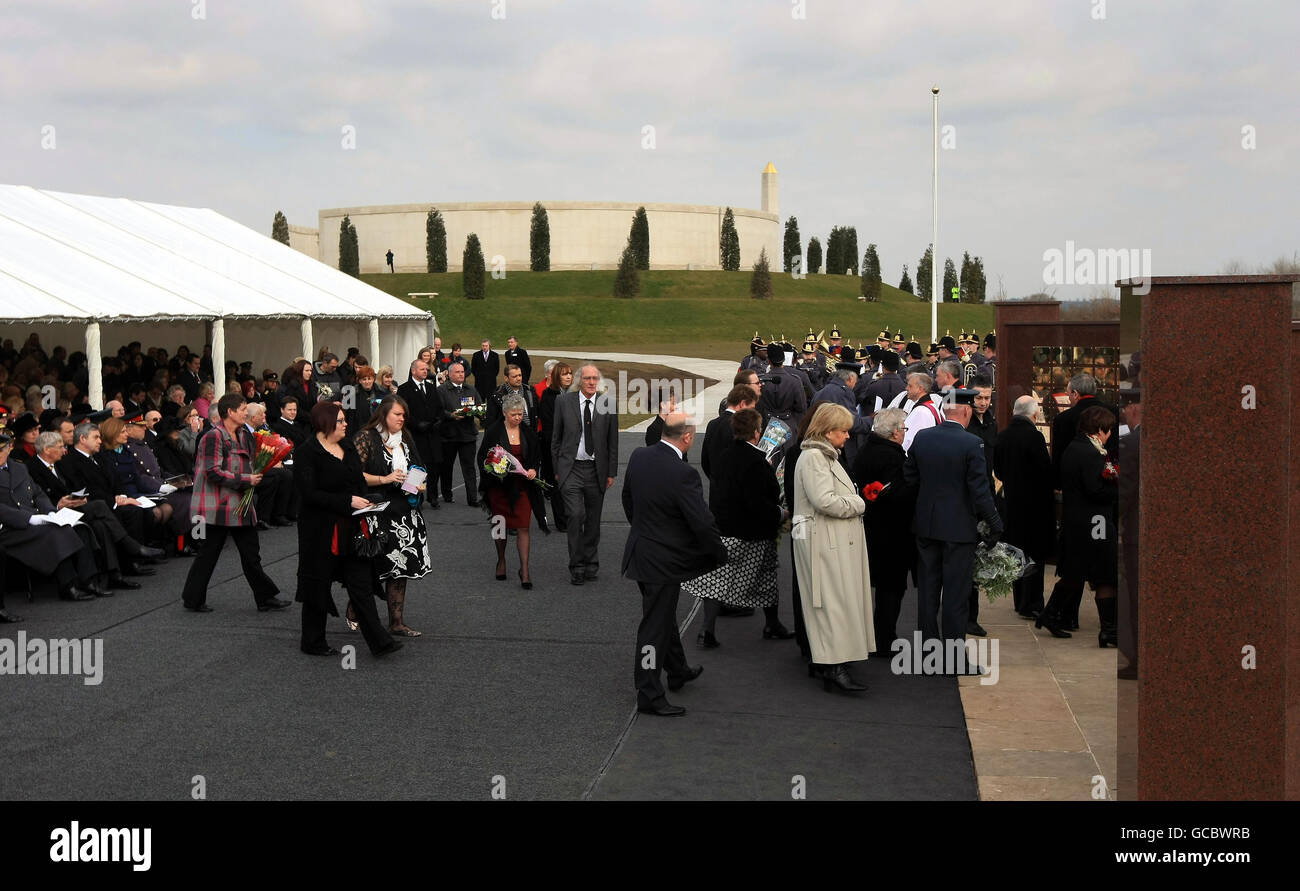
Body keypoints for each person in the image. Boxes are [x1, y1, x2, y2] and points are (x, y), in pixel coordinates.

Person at [622, 411, 726, 717]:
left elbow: (628, 500)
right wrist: (718, 553)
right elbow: (701, 522)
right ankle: (649, 693)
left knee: (662, 618)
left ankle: (678, 669)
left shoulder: (639, 456)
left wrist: (646, 532)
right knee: (653, 629)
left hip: (641, 553)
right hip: (664, 562)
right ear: (688, 437)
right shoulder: (683, 473)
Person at [294, 401, 402, 658]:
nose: (345, 425)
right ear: (325, 423)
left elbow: (357, 480)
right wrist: (346, 501)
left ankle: (379, 641)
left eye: (344, 420)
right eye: (340, 421)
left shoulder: (348, 446)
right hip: (320, 531)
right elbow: (308, 494)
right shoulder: (307, 452)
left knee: (361, 583)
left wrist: (368, 499)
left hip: (352, 527)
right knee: (317, 585)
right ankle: (312, 641)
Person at [904, 389, 1003, 670]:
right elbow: (980, 490)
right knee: (956, 596)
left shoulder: (923, 437)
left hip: (926, 525)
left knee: (928, 592)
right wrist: (995, 523)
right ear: (968, 411)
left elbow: (910, 477)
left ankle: (927, 654)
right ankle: (953, 659)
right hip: (958, 530)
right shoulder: (972, 444)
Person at [684, 408, 789, 648]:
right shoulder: (756, 461)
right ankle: (772, 623)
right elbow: (758, 501)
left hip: (724, 526)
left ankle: (706, 629)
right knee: (766, 576)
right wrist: (780, 513)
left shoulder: (725, 455)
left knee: (717, 581)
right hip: (753, 532)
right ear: (756, 432)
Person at [180, 394, 290, 613]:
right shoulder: (213, 436)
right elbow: (213, 472)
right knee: (209, 553)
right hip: (218, 506)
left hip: (239, 505)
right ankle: (192, 598)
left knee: (251, 553)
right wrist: (246, 480)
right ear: (229, 412)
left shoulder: (243, 435)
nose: (245, 412)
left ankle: (265, 597)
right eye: (241, 409)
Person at [790, 404, 873, 692]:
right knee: (830, 603)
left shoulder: (823, 455)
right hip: (823, 541)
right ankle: (832, 667)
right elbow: (824, 500)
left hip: (829, 540)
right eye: (844, 431)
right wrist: (860, 503)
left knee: (835, 601)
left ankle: (830, 663)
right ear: (827, 432)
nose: (848, 436)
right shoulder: (814, 457)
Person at [1047, 373, 1120, 630]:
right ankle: (1106, 628)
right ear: (1100, 429)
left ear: (1075, 393)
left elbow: (1059, 467)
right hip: (1094, 517)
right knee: (1097, 570)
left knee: (1078, 569)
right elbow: (1095, 488)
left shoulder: (1066, 423)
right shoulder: (1090, 450)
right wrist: (1117, 487)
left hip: (1079, 513)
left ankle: (1064, 616)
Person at [0, 431, 110, 602]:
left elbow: (38, 494)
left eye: (1, 450)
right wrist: (28, 518)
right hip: (11, 527)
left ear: (9, 450)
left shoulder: (18, 467)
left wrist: (50, 511)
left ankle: (88, 580)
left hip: (35, 519)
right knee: (56, 532)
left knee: (79, 527)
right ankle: (68, 585)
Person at [355, 397, 432, 636]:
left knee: (401, 568)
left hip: (404, 512)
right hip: (377, 510)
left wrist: (419, 484)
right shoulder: (366, 437)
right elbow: (354, 474)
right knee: (374, 567)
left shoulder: (405, 438)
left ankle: (396, 622)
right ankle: (354, 608)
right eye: (397, 414)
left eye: (404, 415)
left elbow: (419, 469)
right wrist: (385, 479)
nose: (402, 419)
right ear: (383, 414)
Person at [850, 408, 916, 654]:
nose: (904, 433)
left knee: (869, 586)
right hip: (891, 532)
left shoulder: (866, 450)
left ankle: (866, 634)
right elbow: (899, 494)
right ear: (896, 433)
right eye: (904, 429)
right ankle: (884, 638)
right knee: (891, 588)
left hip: (867, 526)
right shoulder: (893, 457)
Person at [551, 364, 619, 585]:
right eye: (587, 378)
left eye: (595, 378)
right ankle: (576, 565)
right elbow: (556, 439)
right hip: (571, 469)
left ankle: (591, 562)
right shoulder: (563, 402)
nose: (591, 382)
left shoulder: (607, 402)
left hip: (596, 470)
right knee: (575, 515)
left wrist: (611, 472)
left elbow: (612, 441)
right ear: (580, 380)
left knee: (592, 520)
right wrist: (557, 470)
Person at [993, 396, 1056, 622]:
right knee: (1034, 555)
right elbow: (1044, 471)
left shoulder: (1003, 436)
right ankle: (1032, 602)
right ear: (1034, 414)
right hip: (1034, 505)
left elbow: (998, 469)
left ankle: (1019, 600)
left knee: (1016, 554)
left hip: (1011, 503)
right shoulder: (1034, 437)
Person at [478, 393, 550, 589]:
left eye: (520, 414)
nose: (517, 417)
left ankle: (525, 570)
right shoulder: (493, 432)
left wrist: (534, 469)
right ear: (504, 413)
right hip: (499, 488)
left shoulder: (528, 432)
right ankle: (501, 559)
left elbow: (536, 456)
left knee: (523, 527)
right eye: (514, 414)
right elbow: (483, 458)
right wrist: (495, 471)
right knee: (499, 526)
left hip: (523, 488)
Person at [810, 354, 873, 470]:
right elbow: (852, 424)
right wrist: (873, 420)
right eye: (856, 380)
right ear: (851, 378)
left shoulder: (821, 391)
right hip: (839, 449)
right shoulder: (844, 392)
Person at [396, 358, 444, 510]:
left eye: (426, 369)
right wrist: (417, 425)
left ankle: (433, 496)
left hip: (432, 434)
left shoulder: (431, 388)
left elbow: (439, 408)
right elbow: (403, 412)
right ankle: (415, 497)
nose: (425, 371)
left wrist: (437, 421)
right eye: (422, 369)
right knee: (415, 468)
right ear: (413, 370)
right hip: (415, 435)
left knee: (434, 466)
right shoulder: (404, 389)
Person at [435, 361, 481, 506]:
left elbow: (479, 406)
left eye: (462, 372)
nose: (461, 374)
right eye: (457, 372)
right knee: (446, 467)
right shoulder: (441, 390)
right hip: (449, 435)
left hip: (467, 434)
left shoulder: (471, 389)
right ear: (449, 374)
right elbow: (438, 411)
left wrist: (480, 412)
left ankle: (473, 498)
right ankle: (447, 493)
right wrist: (451, 415)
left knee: (469, 467)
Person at [537, 362, 573, 531]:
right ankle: (562, 521)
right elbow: (549, 427)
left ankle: (573, 517)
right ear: (557, 376)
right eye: (564, 374)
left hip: (575, 449)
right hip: (556, 449)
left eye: (570, 373)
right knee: (558, 486)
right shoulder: (548, 396)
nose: (568, 377)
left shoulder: (575, 394)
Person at [700, 384, 759, 482]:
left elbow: (705, 461)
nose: (752, 413)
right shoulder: (741, 427)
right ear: (742, 404)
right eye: (751, 409)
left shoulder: (712, 424)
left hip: (715, 488)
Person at [757, 342, 808, 431]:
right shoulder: (795, 380)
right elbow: (802, 408)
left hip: (766, 427)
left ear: (768, 360)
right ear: (784, 359)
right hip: (789, 427)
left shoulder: (760, 381)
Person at [485, 363, 539, 429]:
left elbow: (535, 415)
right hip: (507, 436)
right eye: (514, 376)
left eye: (520, 375)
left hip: (529, 434)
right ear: (506, 378)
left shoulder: (529, 392)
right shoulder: (497, 396)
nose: (518, 378)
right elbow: (491, 422)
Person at [349, 365, 385, 430]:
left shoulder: (381, 392)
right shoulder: (353, 394)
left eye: (369, 378)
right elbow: (351, 417)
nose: (367, 382)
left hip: (377, 428)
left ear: (373, 379)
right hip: (359, 429)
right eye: (364, 379)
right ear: (360, 381)